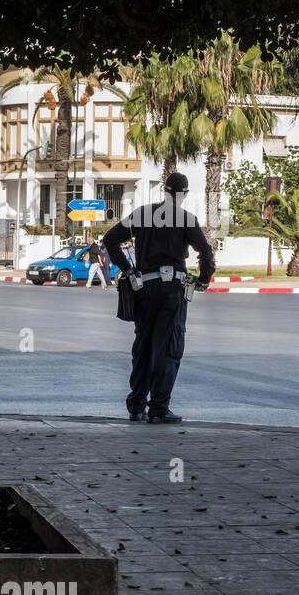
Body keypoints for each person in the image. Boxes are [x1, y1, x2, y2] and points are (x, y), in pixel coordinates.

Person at [102, 172, 215, 425]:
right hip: (172, 291)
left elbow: (110, 240)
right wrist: (204, 278)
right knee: (168, 348)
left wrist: (128, 269)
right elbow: (205, 251)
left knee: (142, 347)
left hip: (144, 289)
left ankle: (136, 405)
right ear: (184, 194)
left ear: (164, 191)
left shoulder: (142, 213)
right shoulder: (186, 218)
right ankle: (159, 408)